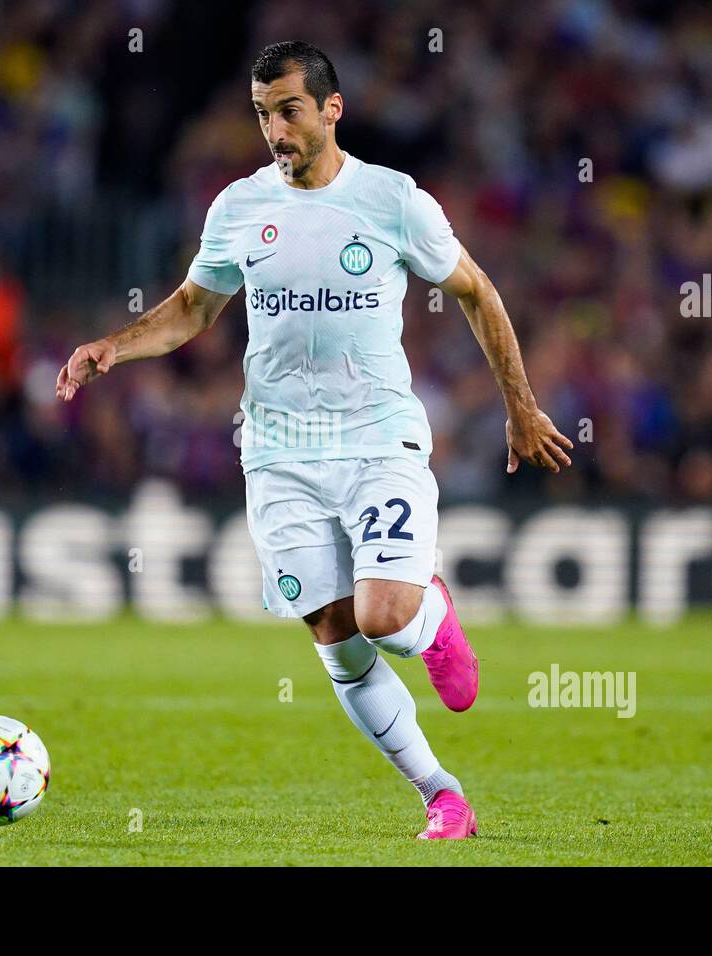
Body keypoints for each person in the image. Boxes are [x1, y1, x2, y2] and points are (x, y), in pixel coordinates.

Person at [57, 40, 572, 839]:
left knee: (383, 614)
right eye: (263, 114)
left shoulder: (394, 200)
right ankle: (443, 795)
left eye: (290, 110)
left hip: (377, 439)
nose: (275, 130)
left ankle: (428, 616)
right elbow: (195, 308)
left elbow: (476, 290)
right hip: (276, 451)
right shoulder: (238, 207)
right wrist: (112, 348)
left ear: (332, 109)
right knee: (334, 633)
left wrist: (521, 407)